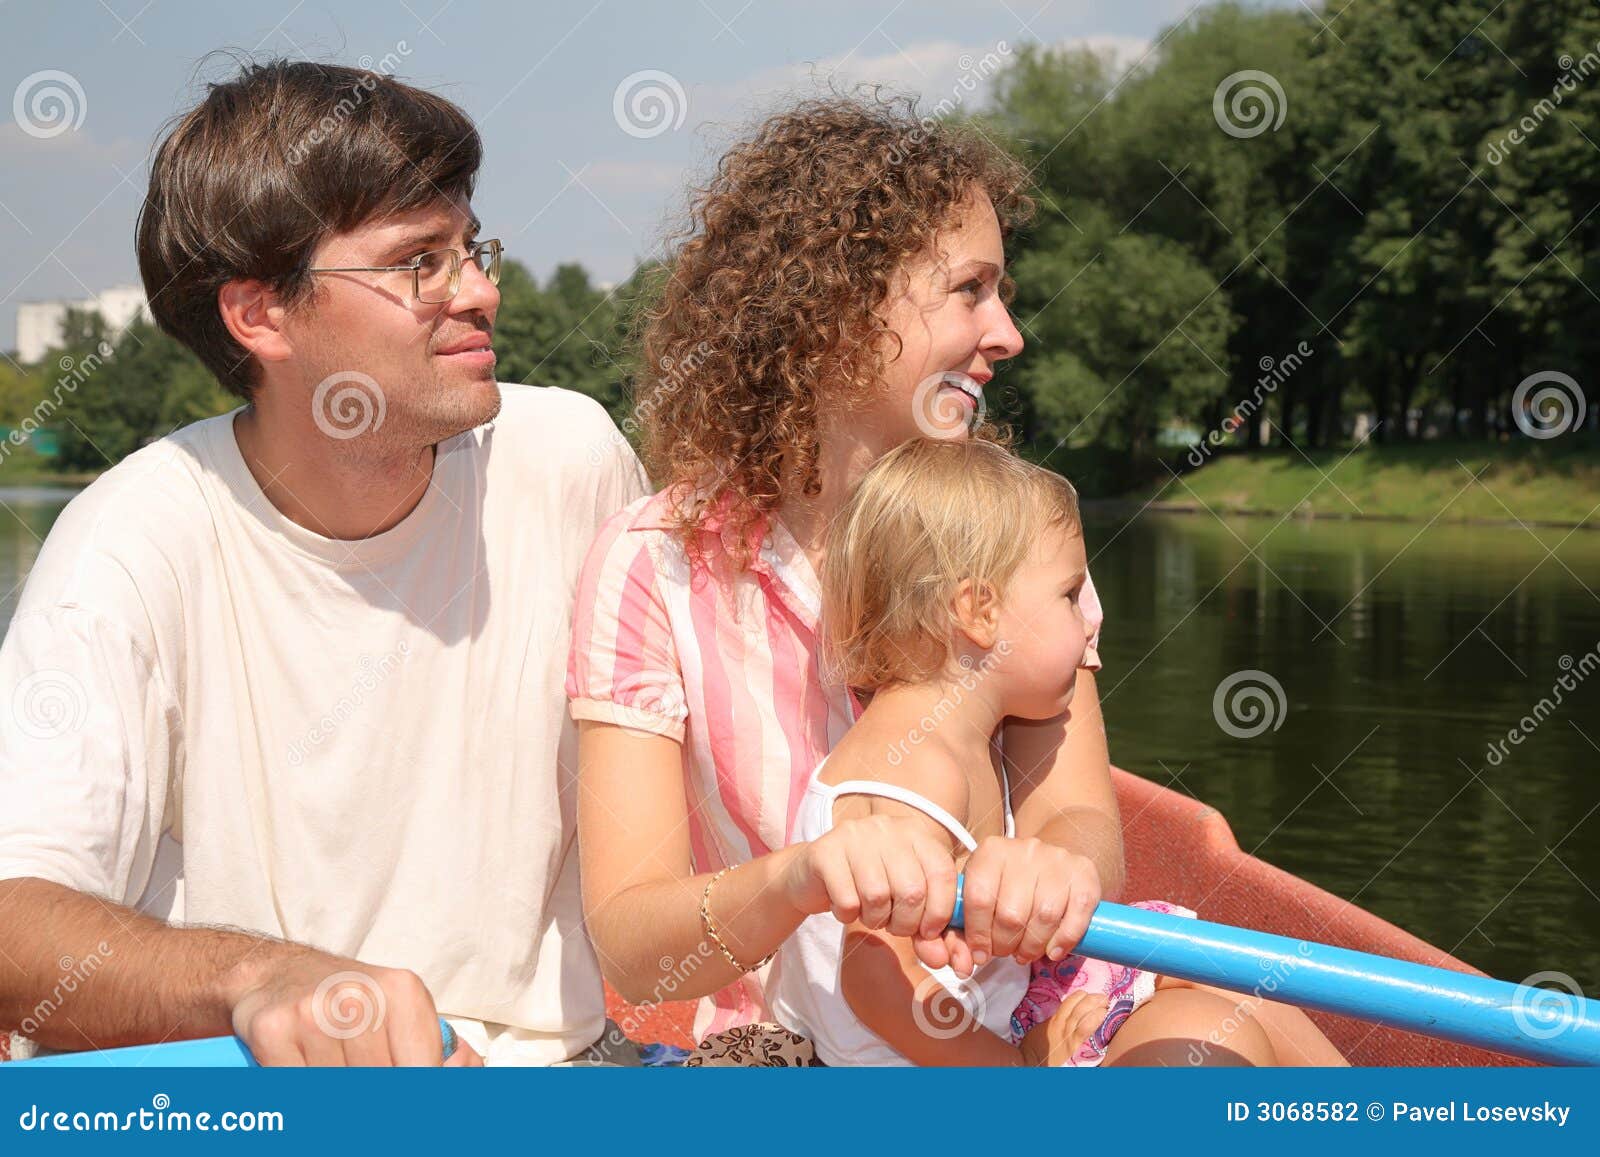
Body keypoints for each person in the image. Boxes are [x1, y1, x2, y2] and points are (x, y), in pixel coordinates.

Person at [569, 94, 1348, 1066]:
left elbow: (1077, 819)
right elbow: (636, 951)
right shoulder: (652, 563)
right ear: (838, 303)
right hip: (816, 1046)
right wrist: (804, 877)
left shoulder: (1017, 540)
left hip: (1020, 1011)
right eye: (971, 290)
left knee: (1202, 1048)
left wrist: (1047, 870)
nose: (1009, 332)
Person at [0, 60, 647, 1067]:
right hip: (270, 1097)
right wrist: (265, 979)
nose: (481, 292)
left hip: (563, 1073)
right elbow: (13, 915)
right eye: (417, 263)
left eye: (473, 249)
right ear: (259, 315)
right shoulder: (131, 541)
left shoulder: (572, 460)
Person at [768, 437, 1344, 1066]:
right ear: (978, 612)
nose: (1091, 620)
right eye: (1069, 595)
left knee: (1227, 981)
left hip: (988, 1029)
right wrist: (1017, 1075)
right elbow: (879, 980)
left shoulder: (950, 741)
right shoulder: (915, 768)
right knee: (1217, 1007)